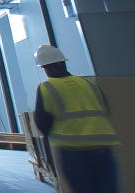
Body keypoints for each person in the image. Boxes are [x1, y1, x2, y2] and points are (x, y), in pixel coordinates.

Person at [33, 45, 120, 193]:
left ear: (45, 68)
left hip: (73, 151)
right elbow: (105, 109)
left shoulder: (46, 87)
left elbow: (42, 122)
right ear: (63, 63)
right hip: (103, 148)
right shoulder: (88, 83)